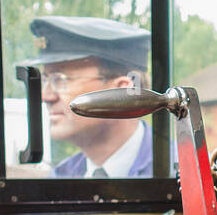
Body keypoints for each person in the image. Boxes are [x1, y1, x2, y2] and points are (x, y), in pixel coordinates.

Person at [27, 16, 153, 177]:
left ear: (122, 94)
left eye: (59, 79)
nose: (45, 96)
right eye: (45, 79)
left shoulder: (185, 174)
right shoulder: (59, 179)